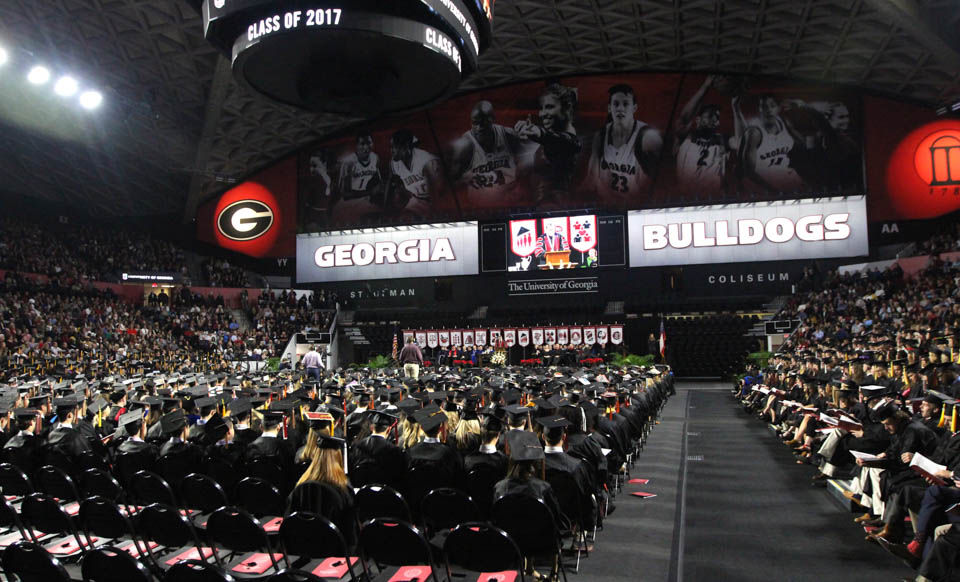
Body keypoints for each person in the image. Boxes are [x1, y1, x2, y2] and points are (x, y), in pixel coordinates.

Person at [586, 83, 662, 203]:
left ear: (634, 108)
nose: (620, 108)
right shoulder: (600, 136)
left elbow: (661, 183)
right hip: (606, 207)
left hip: (636, 207)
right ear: (609, 108)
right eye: (616, 104)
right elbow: (591, 179)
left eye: (625, 104)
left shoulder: (648, 138)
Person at [447, 100, 525, 209]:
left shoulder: (508, 135)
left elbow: (528, 166)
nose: (479, 128)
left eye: (483, 123)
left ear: (492, 119)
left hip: (511, 205)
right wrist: (466, 179)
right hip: (480, 209)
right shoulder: (465, 145)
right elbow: (452, 183)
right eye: (475, 123)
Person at [514, 83, 582, 205]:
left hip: (555, 208)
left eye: (549, 107)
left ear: (566, 108)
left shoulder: (567, 142)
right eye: (542, 108)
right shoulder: (553, 139)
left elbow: (564, 142)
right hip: (543, 210)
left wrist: (540, 133)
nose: (542, 113)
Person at [288, 434, 356, 547]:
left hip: (301, 548)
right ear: (339, 456)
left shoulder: (301, 485)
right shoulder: (344, 488)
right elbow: (350, 532)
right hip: (334, 549)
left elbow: (289, 518)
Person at [673, 75, 734, 198]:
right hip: (687, 200)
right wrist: (705, 87)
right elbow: (684, 118)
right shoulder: (685, 136)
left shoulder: (723, 139)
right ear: (698, 119)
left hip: (714, 199)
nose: (715, 120)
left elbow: (741, 142)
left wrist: (736, 108)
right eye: (711, 115)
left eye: (717, 118)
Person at [732, 93, 806, 194]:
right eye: (764, 106)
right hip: (763, 182)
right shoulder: (755, 132)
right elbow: (749, 173)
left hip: (786, 175)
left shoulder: (783, 122)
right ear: (759, 109)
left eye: (772, 106)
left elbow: (803, 143)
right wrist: (774, 191)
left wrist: (801, 108)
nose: (769, 110)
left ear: (778, 108)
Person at [385, 129, 443, 217]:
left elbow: (435, 196)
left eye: (395, 146)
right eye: (391, 147)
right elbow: (390, 183)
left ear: (406, 146)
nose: (392, 150)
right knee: (404, 218)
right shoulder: (394, 164)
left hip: (442, 197)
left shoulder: (425, 161)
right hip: (418, 199)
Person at [333, 134, 383, 223]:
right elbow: (345, 194)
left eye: (369, 143)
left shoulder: (375, 157)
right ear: (356, 146)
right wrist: (370, 192)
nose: (366, 147)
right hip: (349, 204)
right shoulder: (348, 162)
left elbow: (379, 182)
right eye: (362, 144)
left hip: (366, 202)